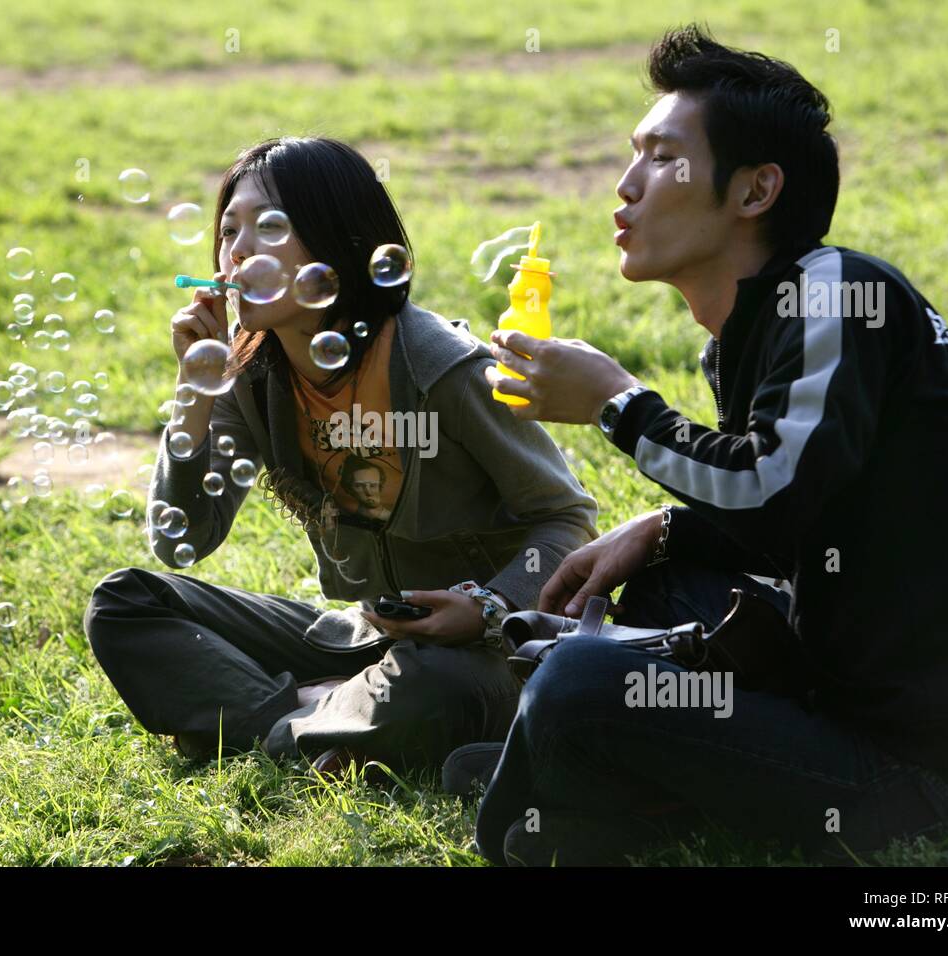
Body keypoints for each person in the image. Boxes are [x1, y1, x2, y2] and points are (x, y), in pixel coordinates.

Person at [453, 25, 948, 865]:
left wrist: (621, 405)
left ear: (756, 190)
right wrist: (663, 531)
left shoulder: (838, 294)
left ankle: (576, 772)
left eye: (661, 158)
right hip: (841, 680)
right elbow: (809, 513)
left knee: (580, 681)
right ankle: (586, 763)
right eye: (632, 156)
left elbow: (772, 492)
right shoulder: (754, 327)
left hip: (935, 762)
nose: (624, 187)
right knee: (653, 590)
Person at [83, 136, 598, 775]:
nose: (238, 251)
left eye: (268, 227)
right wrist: (193, 390)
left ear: (337, 242)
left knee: (431, 688)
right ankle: (326, 718)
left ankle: (286, 720)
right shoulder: (249, 373)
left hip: (483, 650)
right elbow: (182, 538)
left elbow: (566, 519)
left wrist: (487, 607)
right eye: (227, 231)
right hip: (367, 636)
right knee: (125, 603)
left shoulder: (446, 371)